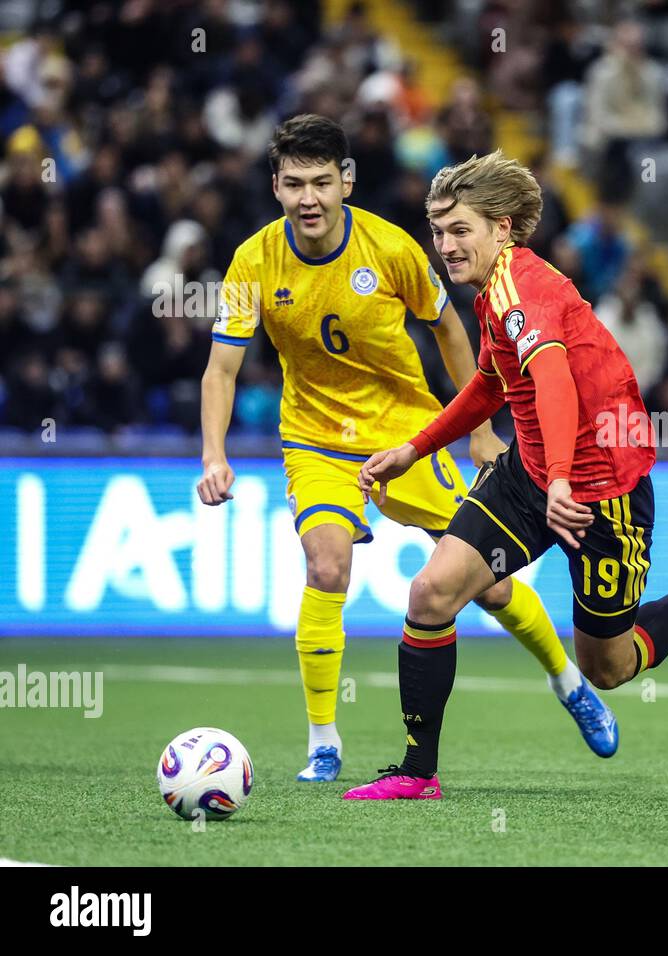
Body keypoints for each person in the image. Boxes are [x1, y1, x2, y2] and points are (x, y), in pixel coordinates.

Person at [197, 115, 614, 784]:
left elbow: (450, 330)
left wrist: (478, 426)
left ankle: (569, 681)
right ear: (275, 187)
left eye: (323, 183)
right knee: (326, 567)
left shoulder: (390, 249)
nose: (309, 198)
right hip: (314, 440)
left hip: (407, 436)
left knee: (493, 587)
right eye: (295, 184)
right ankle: (324, 742)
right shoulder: (252, 261)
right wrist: (213, 455)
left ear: (347, 183)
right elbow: (220, 369)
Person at [344, 150, 668, 800]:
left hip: (603, 489)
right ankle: (418, 772)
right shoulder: (492, 293)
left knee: (608, 667)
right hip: (533, 472)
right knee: (431, 593)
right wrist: (415, 449)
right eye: (439, 232)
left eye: (459, 229)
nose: (445, 245)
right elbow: (490, 387)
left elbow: (553, 378)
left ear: (503, 228)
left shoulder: (522, 288)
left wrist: (562, 479)